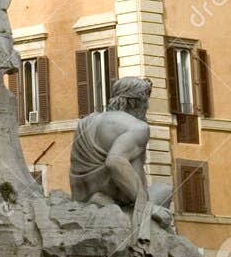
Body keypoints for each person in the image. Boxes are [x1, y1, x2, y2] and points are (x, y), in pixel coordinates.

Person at [69, 75, 171, 247]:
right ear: (133, 102)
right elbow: (115, 161)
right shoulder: (138, 127)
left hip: (84, 198)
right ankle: (148, 245)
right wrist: (147, 207)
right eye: (145, 101)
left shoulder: (85, 122)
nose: (146, 107)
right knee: (164, 189)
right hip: (120, 200)